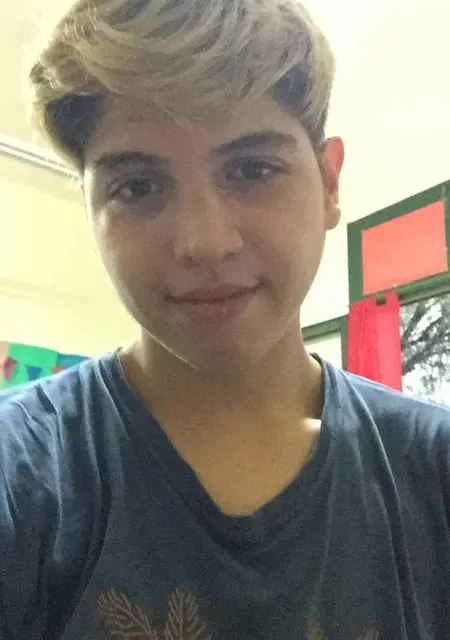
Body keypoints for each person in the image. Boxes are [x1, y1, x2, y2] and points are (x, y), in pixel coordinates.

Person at [1, 0, 449, 638]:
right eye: (138, 186)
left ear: (329, 184)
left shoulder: (433, 470)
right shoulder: (24, 477)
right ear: (91, 210)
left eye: (253, 170)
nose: (205, 242)